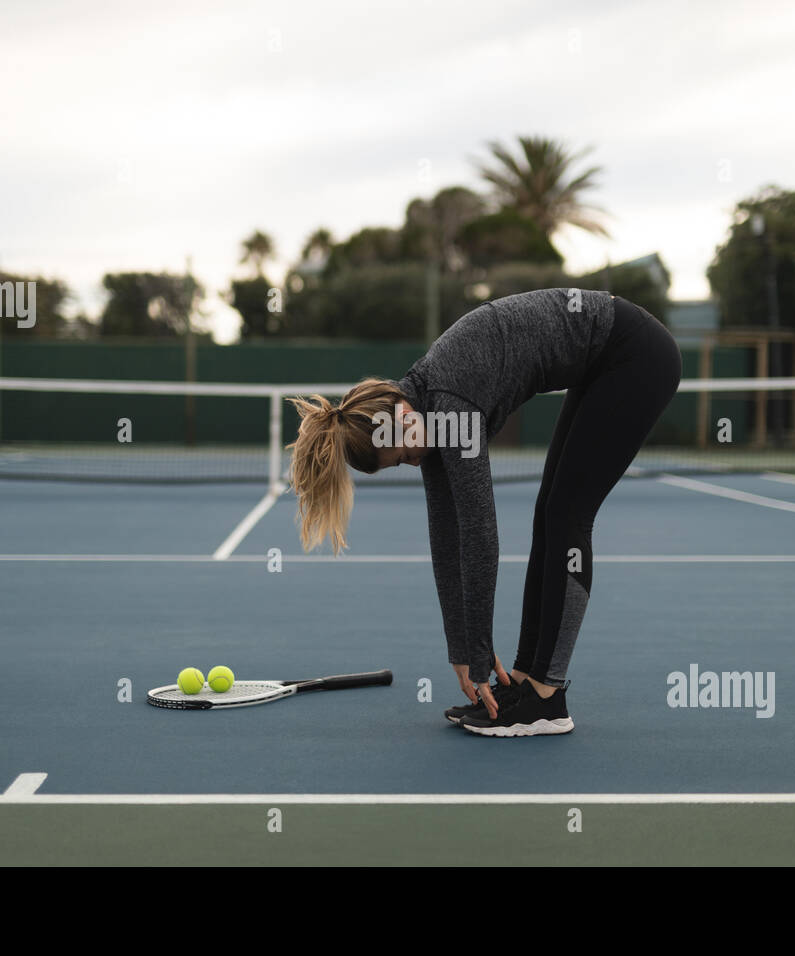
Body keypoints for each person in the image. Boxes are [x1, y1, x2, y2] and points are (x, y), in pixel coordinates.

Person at [287, 288, 681, 736]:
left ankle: (546, 698)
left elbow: (480, 536)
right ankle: (531, 686)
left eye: (400, 456)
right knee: (551, 514)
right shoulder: (424, 415)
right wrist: (462, 648)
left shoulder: (450, 405)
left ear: (400, 415)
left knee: (566, 517)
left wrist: (478, 652)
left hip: (636, 356)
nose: (411, 462)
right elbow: (446, 534)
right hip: (606, 360)